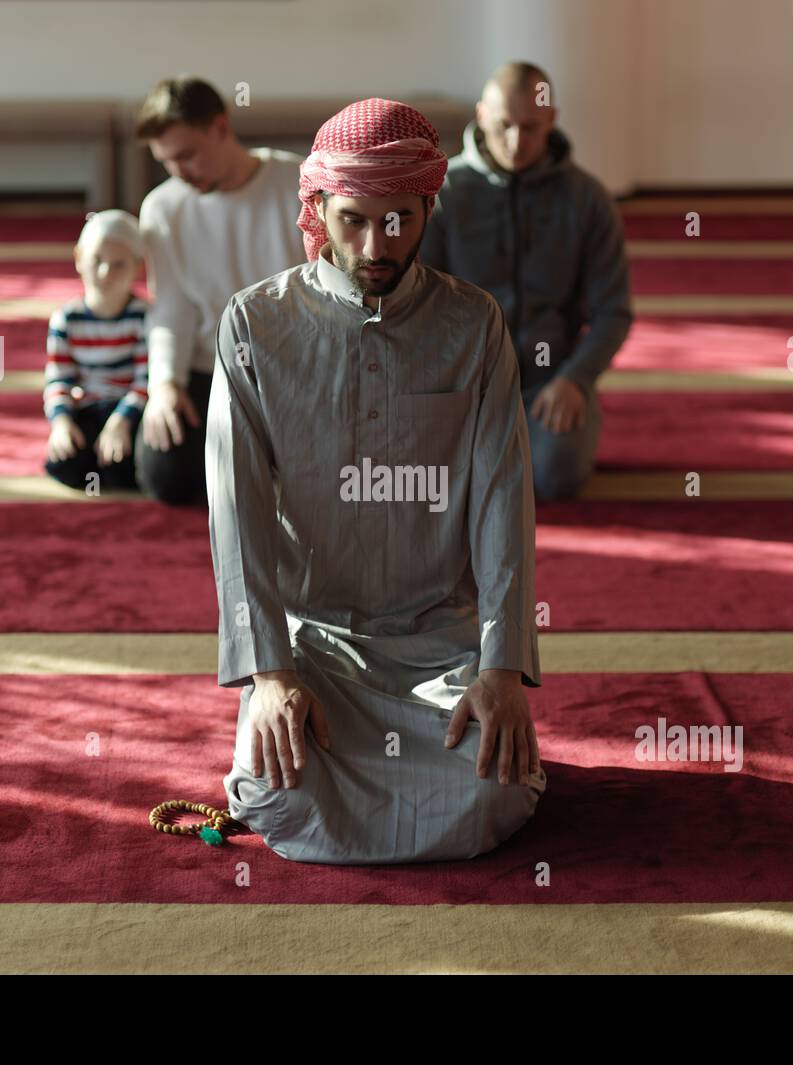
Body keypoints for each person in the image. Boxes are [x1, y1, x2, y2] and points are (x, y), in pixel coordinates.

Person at [209, 99, 546, 865]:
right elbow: (240, 515)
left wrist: (500, 670)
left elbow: (502, 499)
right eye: (354, 219)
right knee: (276, 791)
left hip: (437, 644)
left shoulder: (473, 325)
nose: (375, 244)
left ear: (428, 205)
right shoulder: (254, 326)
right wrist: (268, 675)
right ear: (318, 207)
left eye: (398, 219)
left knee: (499, 785)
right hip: (312, 645)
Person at [420, 61, 634, 500]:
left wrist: (576, 379)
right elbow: (418, 303)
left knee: (555, 476)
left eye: (531, 128)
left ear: (551, 120)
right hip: (465, 380)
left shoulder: (587, 199)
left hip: (549, 378)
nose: (516, 143)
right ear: (480, 116)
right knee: (431, 482)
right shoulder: (443, 195)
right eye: (504, 126)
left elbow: (614, 310)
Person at [135, 76, 306, 504]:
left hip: (289, 371)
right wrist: (163, 387)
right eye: (167, 162)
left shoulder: (298, 184)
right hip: (209, 371)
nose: (179, 172)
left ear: (221, 128)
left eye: (187, 156)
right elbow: (170, 309)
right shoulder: (163, 207)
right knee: (166, 477)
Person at [43, 209, 149, 493]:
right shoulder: (66, 319)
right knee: (64, 463)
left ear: (137, 266)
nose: (105, 272)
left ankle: (113, 468)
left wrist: (121, 421)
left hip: (130, 410)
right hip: (89, 407)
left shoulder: (143, 317)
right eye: (97, 261)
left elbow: (145, 380)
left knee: (123, 465)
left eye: (119, 264)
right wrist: (62, 423)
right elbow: (58, 380)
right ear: (79, 258)